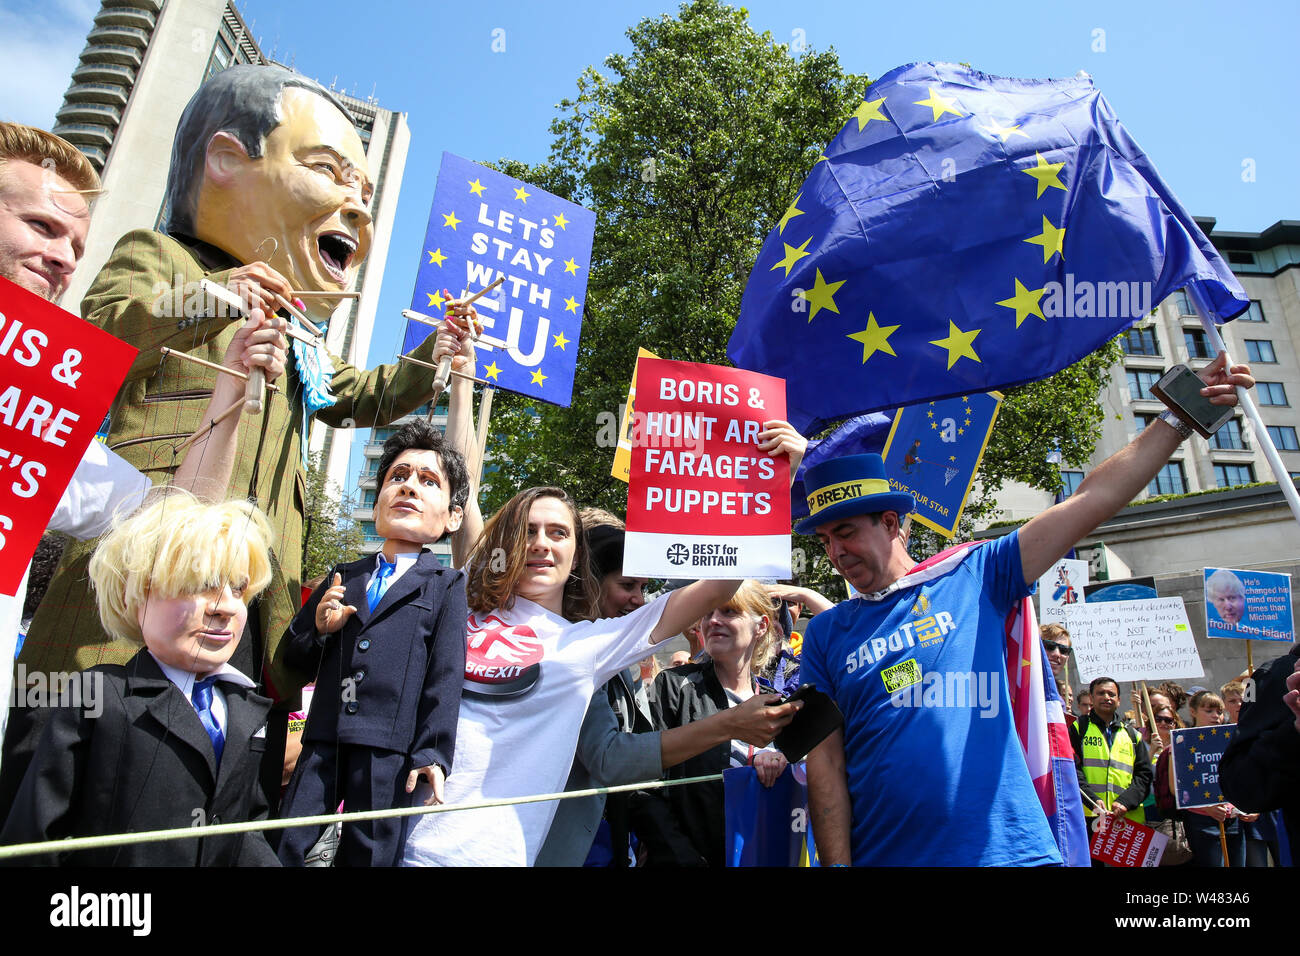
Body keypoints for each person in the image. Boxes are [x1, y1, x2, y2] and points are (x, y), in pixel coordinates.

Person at [20, 65, 445, 740]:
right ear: (224, 159)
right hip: (142, 570)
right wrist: (211, 299)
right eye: (329, 173)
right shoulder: (161, 255)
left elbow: (356, 396)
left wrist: (437, 355)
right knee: (95, 757)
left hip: (255, 592)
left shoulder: (302, 329)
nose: (356, 208)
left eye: (363, 191)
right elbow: (97, 337)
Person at [799, 351, 1254, 866]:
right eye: (824, 540)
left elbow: (1089, 501)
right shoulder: (825, 634)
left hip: (1010, 854)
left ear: (889, 522)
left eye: (845, 533)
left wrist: (1179, 418)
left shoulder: (977, 574)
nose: (835, 553)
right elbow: (825, 767)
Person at [0, 122, 288, 761]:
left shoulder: (34, 414)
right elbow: (111, 328)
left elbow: (173, 515)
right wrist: (201, 301)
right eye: (41, 228)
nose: (65, 258)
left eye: (76, 243)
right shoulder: (159, 260)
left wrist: (234, 382)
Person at [0, 497, 281, 865]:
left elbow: (246, 830)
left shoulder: (245, 708)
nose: (225, 606)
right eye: (201, 585)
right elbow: (34, 834)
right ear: (138, 594)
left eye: (239, 589)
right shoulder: (98, 695)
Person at [276, 419, 470, 867]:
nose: (408, 488)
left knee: (370, 853)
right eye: (397, 477)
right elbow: (294, 657)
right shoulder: (343, 574)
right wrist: (321, 632)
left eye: (428, 482)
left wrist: (432, 753)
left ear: (452, 516)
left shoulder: (445, 586)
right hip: (323, 739)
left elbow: (446, 677)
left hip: (390, 754)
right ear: (378, 497)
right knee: (284, 841)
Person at [645, 580, 791, 866]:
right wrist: (683, 858)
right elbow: (645, 786)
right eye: (707, 612)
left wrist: (783, 764)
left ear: (761, 626)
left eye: (728, 612)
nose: (713, 621)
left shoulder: (778, 704)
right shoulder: (674, 686)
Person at [1222, 646, 1300, 865]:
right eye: (1231, 700)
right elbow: (1240, 785)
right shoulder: (1268, 677)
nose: (1237, 704)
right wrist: (1292, 732)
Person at [1070, 677, 1152, 848]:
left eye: (1111, 694)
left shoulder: (1133, 735)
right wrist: (1092, 800)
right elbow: (1072, 769)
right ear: (1091, 699)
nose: (1106, 697)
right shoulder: (1078, 728)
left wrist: (1125, 802)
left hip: (1126, 820)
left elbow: (1144, 776)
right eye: (1101, 693)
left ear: (1119, 700)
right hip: (1089, 818)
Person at [1182, 689, 1252, 867]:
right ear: (1193, 711)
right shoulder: (1183, 741)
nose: (1216, 716)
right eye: (1209, 711)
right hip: (1202, 821)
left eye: (1219, 712)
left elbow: (1242, 778)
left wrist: (1246, 807)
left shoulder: (1230, 739)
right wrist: (1208, 807)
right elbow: (1179, 787)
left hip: (1232, 818)